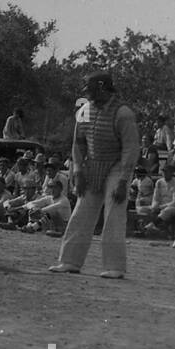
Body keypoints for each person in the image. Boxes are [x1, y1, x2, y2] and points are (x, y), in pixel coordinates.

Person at [49, 70, 139, 279]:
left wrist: (124, 180)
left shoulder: (123, 113)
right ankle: (69, 261)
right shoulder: (85, 111)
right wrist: (78, 171)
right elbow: (78, 143)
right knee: (81, 212)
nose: (87, 94)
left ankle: (114, 266)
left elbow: (130, 148)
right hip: (92, 165)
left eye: (90, 90)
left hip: (117, 166)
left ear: (101, 88)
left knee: (114, 214)